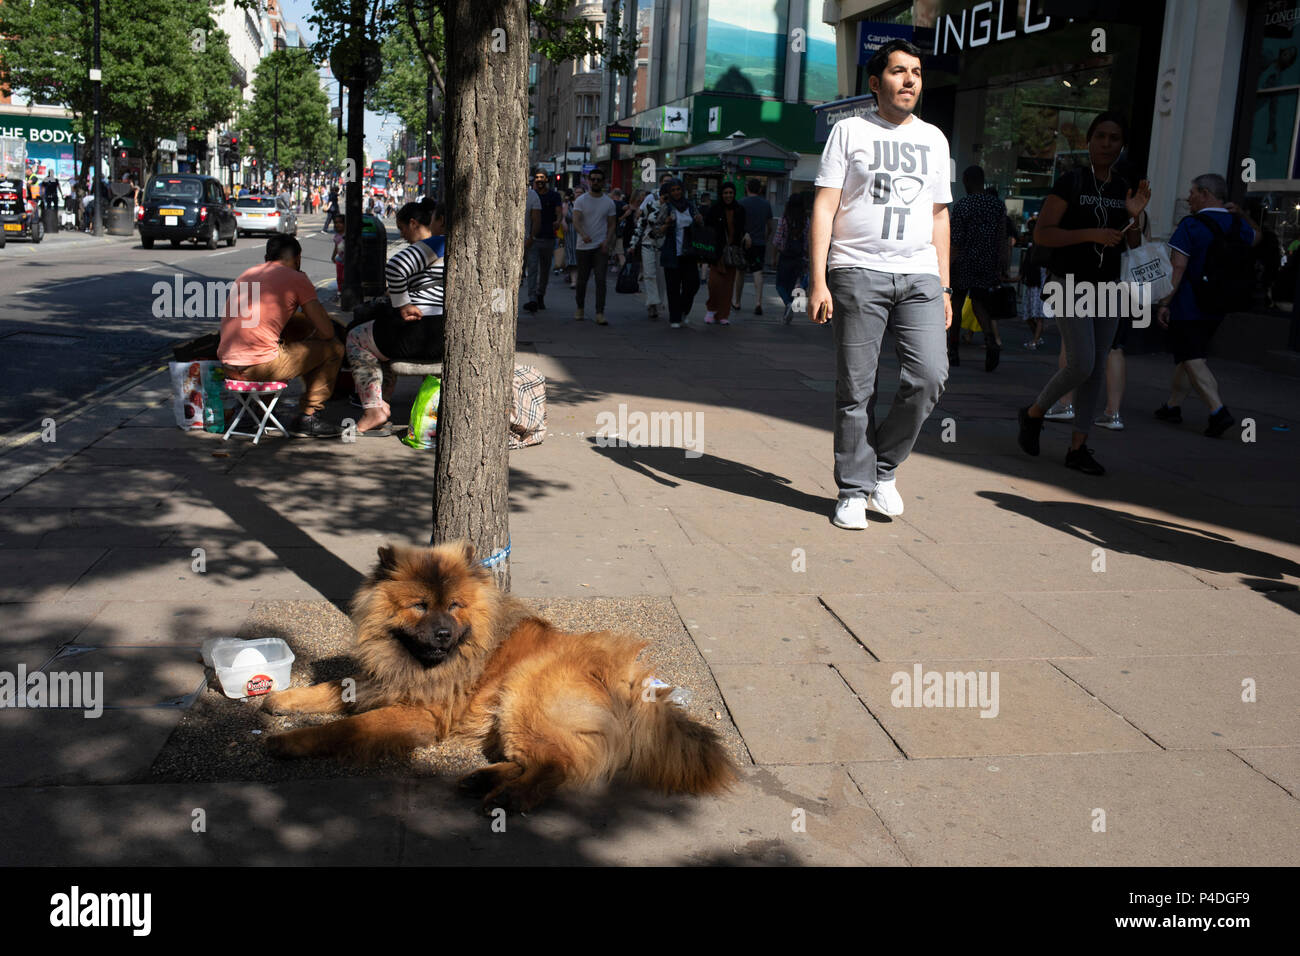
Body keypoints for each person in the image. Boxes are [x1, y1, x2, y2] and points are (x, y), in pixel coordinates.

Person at [808, 38, 953, 531]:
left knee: (930, 376)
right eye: (898, 71)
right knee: (856, 389)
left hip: (920, 275)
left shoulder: (935, 138)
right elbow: (825, 206)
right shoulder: (849, 131)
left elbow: (938, 217)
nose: (910, 79)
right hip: (856, 270)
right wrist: (818, 280)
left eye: (916, 71)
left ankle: (882, 470)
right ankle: (852, 489)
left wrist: (947, 286)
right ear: (876, 83)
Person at [1016, 111, 1152, 476]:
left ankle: (1078, 446)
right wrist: (1090, 234)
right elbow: (1043, 233)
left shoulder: (1124, 186)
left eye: (1115, 138)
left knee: (1095, 370)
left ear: (1122, 146)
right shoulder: (1070, 182)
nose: (1108, 144)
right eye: (1101, 137)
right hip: (1070, 283)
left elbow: (1136, 245)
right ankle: (1034, 412)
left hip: (1109, 288)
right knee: (1082, 363)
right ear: (1089, 142)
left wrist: (1135, 216)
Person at [1154, 174, 1259, 437]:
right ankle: (1172, 406)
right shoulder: (1238, 225)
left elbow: (1178, 268)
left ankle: (1218, 411)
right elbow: (1256, 237)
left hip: (1190, 303)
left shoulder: (1190, 225)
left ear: (1205, 193)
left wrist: (1164, 302)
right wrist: (1243, 215)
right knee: (1188, 357)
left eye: (1192, 192)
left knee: (1192, 358)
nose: (1189, 197)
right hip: (1221, 303)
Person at [218, 235, 344, 438]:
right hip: (258, 367)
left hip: (228, 365)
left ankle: (258, 409)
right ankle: (309, 416)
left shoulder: (246, 274)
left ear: (268, 256)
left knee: (290, 330)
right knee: (334, 349)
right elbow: (327, 331)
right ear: (298, 258)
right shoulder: (296, 278)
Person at [348, 198, 448, 435]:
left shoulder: (440, 242)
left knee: (356, 337)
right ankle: (384, 398)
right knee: (380, 330)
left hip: (423, 328)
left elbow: (395, 267)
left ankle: (374, 409)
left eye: (433, 218)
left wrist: (403, 304)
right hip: (449, 332)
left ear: (441, 221)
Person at [948, 166, 1007, 371]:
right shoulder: (997, 206)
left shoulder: (963, 205)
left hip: (963, 261)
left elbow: (955, 239)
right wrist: (1002, 262)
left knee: (956, 304)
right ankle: (991, 341)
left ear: (966, 181)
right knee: (980, 304)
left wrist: (947, 264)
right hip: (987, 262)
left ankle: (953, 349)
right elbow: (1002, 236)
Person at [654, 178, 704, 329]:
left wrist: (700, 220)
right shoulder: (667, 208)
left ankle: (683, 310)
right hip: (672, 252)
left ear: (683, 190)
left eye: (678, 189)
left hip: (689, 253)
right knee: (673, 286)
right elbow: (656, 231)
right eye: (673, 190)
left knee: (693, 284)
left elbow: (701, 225)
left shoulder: (691, 206)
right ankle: (674, 317)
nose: (676, 192)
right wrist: (666, 224)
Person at [572, 169, 616, 324]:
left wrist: (607, 241)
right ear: (589, 181)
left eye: (599, 179)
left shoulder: (609, 202)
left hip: (600, 246)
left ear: (603, 182)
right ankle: (580, 308)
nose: (596, 182)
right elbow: (575, 220)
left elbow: (612, 225)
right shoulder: (581, 201)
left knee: (600, 280)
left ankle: (599, 312)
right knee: (582, 280)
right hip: (583, 246)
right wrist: (583, 234)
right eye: (593, 179)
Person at [703, 182, 750, 325]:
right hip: (717, 253)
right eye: (725, 193)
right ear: (721, 194)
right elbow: (707, 229)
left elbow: (743, 227)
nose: (728, 195)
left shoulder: (739, 209)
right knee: (714, 284)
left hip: (733, 252)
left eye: (730, 193)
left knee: (728, 286)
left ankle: (723, 314)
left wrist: (746, 235)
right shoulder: (714, 209)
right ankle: (711, 310)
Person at [633, 173, 673, 319]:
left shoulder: (673, 201)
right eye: (665, 182)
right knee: (650, 274)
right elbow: (640, 215)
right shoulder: (651, 198)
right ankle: (652, 303)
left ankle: (659, 302)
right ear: (660, 183)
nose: (667, 185)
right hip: (648, 242)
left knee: (661, 275)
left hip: (664, 244)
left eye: (670, 182)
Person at [523, 170, 561, 312]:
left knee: (545, 270)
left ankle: (540, 294)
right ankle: (532, 298)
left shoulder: (554, 196)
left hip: (548, 237)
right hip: (534, 239)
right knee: (532, 268)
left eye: (542, 178)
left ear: (547, 179)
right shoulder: (530, 195)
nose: (539, 180)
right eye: (537, 178)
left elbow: (559, 213)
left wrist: (558, 221)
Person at [735, 178, 774, 315]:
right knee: (757, 271)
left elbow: (736, 224)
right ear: (759, 190)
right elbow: (770, 226)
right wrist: (766, 237)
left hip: (743, 243)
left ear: (747, 188)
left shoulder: (741, 203)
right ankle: (758, 302)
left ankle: (737, 302)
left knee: (740, 272)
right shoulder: (766, 204)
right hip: (759, 243)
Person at [773, 191, 811, 323]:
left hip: (785, 256)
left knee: (780, 284)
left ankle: (788, 303)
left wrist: (774, 256)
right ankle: (790, 306)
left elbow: (777, 240)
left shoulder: (784, 218)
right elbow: (807, 241)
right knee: (795, 283)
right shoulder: (805, 220)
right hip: (800, 257)